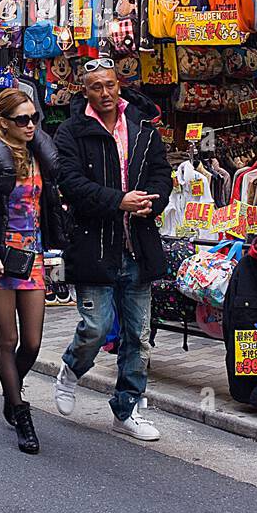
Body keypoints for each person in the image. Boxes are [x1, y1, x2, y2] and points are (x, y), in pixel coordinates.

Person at [53, 59, 172, 441]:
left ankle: (127, 408)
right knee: (97, 327)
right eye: (96, 87)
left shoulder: (142, 129)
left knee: (138, 335)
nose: (104, 93)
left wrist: (154, 201)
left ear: (119, 86)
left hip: (137, 244)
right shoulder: (72, 132)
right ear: (84, 91)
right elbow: (70, 184)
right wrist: (119, 201)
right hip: (94, 246)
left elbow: (161, 175)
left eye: (109, 85)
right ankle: (71, 368)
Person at [0, 89, 66, 455]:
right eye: (22, 119)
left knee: (34, 343)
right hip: (0, 254)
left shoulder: (40, 151)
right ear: (4, 122)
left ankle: (11, 392)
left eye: (34, 118)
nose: (30, 125)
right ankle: (22, 413)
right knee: (7, 340)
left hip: (33, 253)